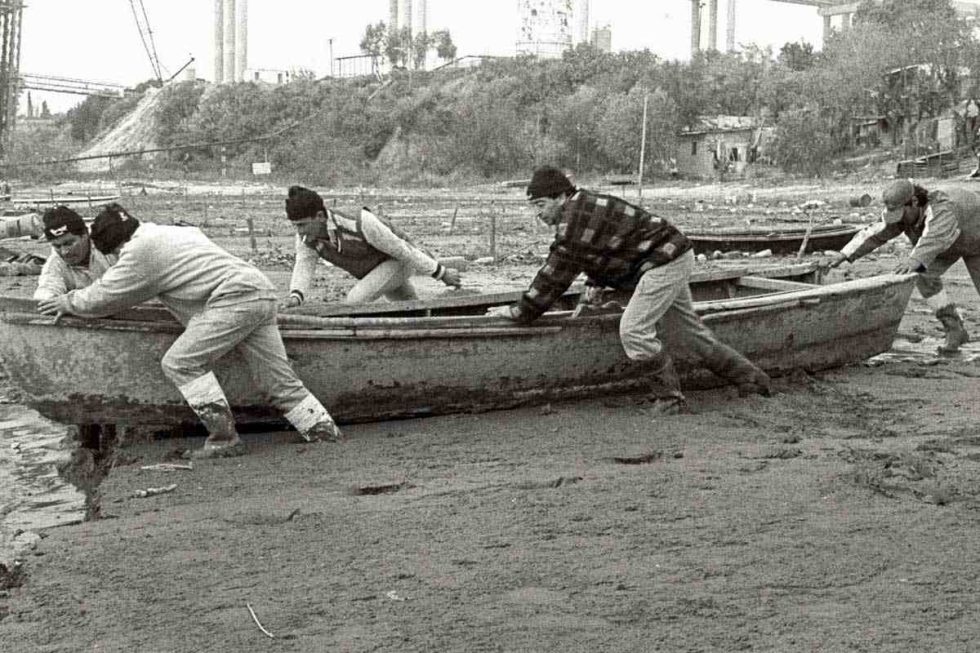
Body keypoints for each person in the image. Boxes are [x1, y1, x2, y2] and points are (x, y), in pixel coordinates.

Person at [37, 203, 342, 459]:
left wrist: (68, 302)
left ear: (115, 245)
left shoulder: (140, 252)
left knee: (179, 363)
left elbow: (104, 297)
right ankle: (325, 434)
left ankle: (224, 440)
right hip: (260, 291)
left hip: (233, 299)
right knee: (278, 382)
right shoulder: (169, 232)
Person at [486, 166, 771, 414]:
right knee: (687, 333)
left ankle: (669, 400)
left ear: (560, 197)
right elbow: (611, 243)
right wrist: (595, 281)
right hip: (671, 254)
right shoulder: (583, 204)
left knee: (633, 330)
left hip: (663, 261)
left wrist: (519, 312)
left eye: (540, 205)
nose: (538, 214)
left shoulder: (575, 220)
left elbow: (555, 276)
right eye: (533, 207)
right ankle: (752, 380)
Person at [826, 179, 979, 355]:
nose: (898, 220)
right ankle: (954, 328)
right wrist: (845, 254)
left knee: (918, 264)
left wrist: (913, 260)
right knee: (922, 274)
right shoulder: (903, 213)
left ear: (914, 202)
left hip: (973, 234)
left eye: (901, 213)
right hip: (951, 242)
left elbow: (934, 238)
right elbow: (876, 233)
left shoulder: (942, 208)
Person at [280, 185, 462, 308]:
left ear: (319, 216)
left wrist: (441, 273)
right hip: (377, 270)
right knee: (408, 310)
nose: (299, 231)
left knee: (355, 301)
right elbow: (304, 265)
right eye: (296, 226)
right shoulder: (307, 238)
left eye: (302, 224)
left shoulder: (360, 222)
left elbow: (402, 249)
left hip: (399, 261)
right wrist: (296, 296)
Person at [33, 206, 114, 301]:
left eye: (68, 243)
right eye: (57, 246)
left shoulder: (111, 248)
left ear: (85, 234)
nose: (64, 252)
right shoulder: (55, 262)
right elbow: (46, 291)